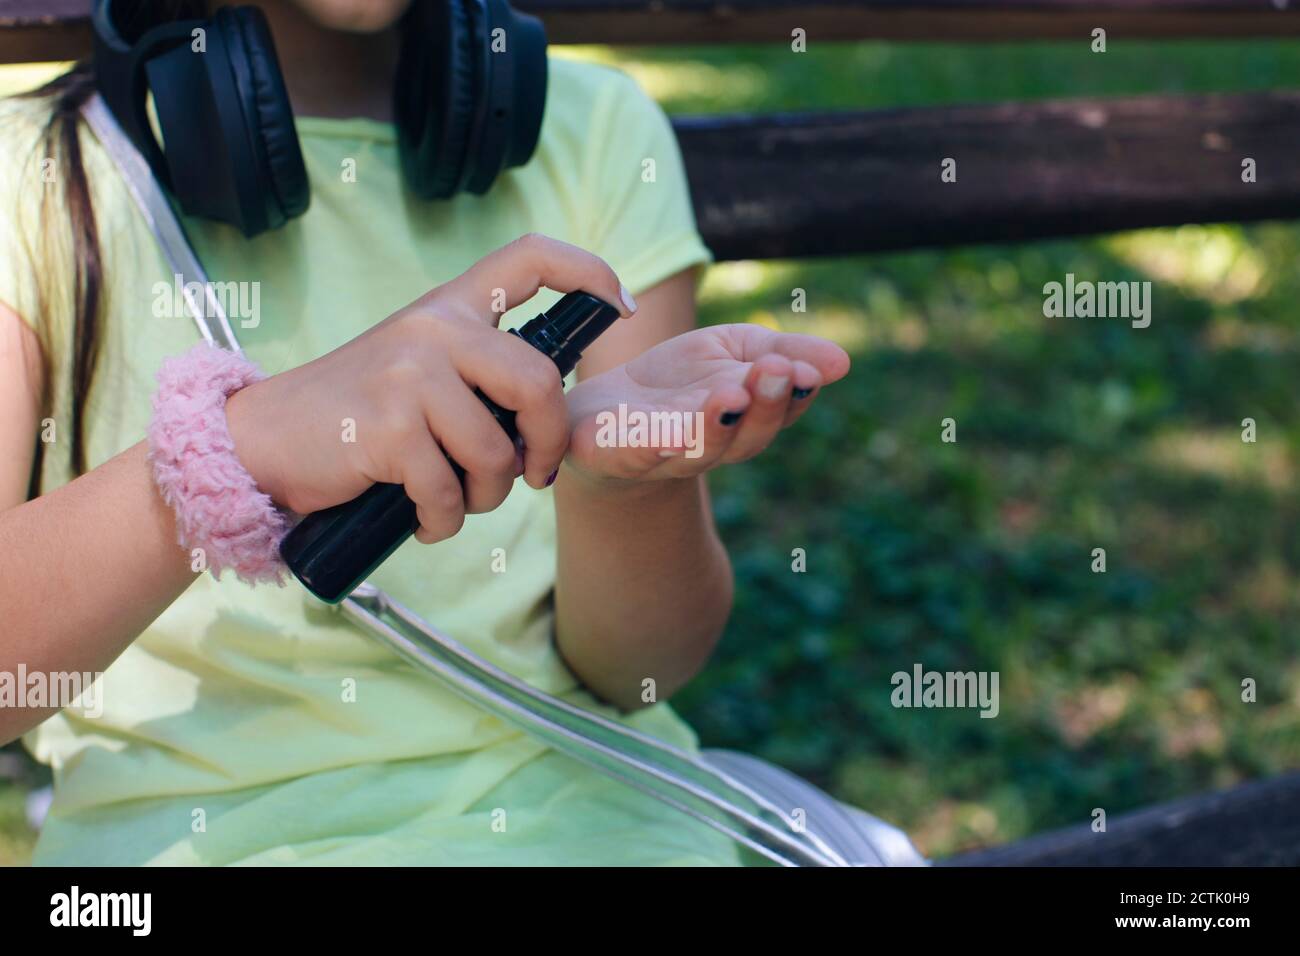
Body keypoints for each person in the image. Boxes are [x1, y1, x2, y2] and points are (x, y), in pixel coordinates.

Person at [0, 0, 849, 865]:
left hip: (604, 823)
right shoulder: (26, 174)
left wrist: (622, 492)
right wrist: (236, 448)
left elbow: (644, 672)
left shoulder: (596, 132)